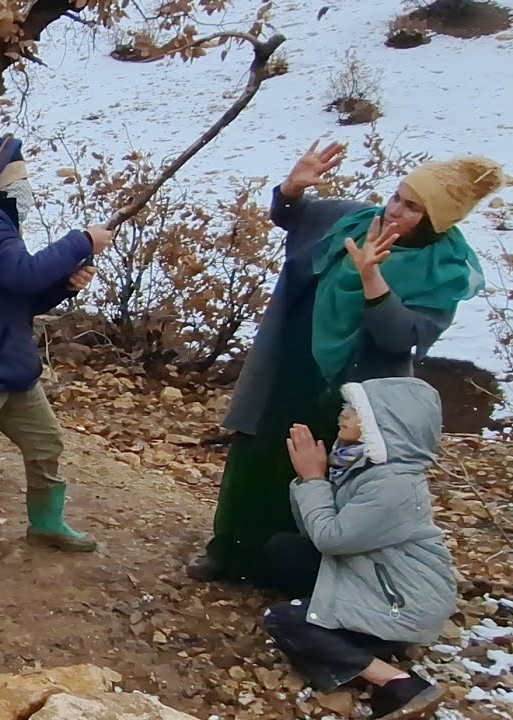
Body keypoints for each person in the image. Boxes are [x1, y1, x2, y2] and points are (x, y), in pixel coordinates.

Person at [185, 142, 502, 587]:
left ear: (436, 221)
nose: (394, 211)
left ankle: (297, 572)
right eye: (397, 197)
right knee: (259, 450)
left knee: (328, 469)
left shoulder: (442, 268)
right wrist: (291, 190)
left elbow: (402, 339)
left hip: (356, 383)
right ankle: (231, 553)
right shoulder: (350, 220)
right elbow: (291, 217)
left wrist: (373, 279)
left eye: (412, 208)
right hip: (292, 356)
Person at [0, 133, 113, 609]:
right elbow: (22, 274)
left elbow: (21, 297)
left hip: (8, 362)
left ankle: (46, 523)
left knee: (45, 443)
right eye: (19, 176)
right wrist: (82, 242)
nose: (26, 185)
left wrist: (65, 287)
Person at [263, 376, 454, 720]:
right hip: (378, 578)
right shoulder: (361, 464)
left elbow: (331, 538)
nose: (344, 413)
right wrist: (316, 479)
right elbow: (314, 531)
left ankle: (399, 683)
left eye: (356, 409)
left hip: (404, 599)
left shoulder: (393, 484)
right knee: (284, 551)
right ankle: (364, 636)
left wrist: (313, 479)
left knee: (285, 621)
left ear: (389, 425)